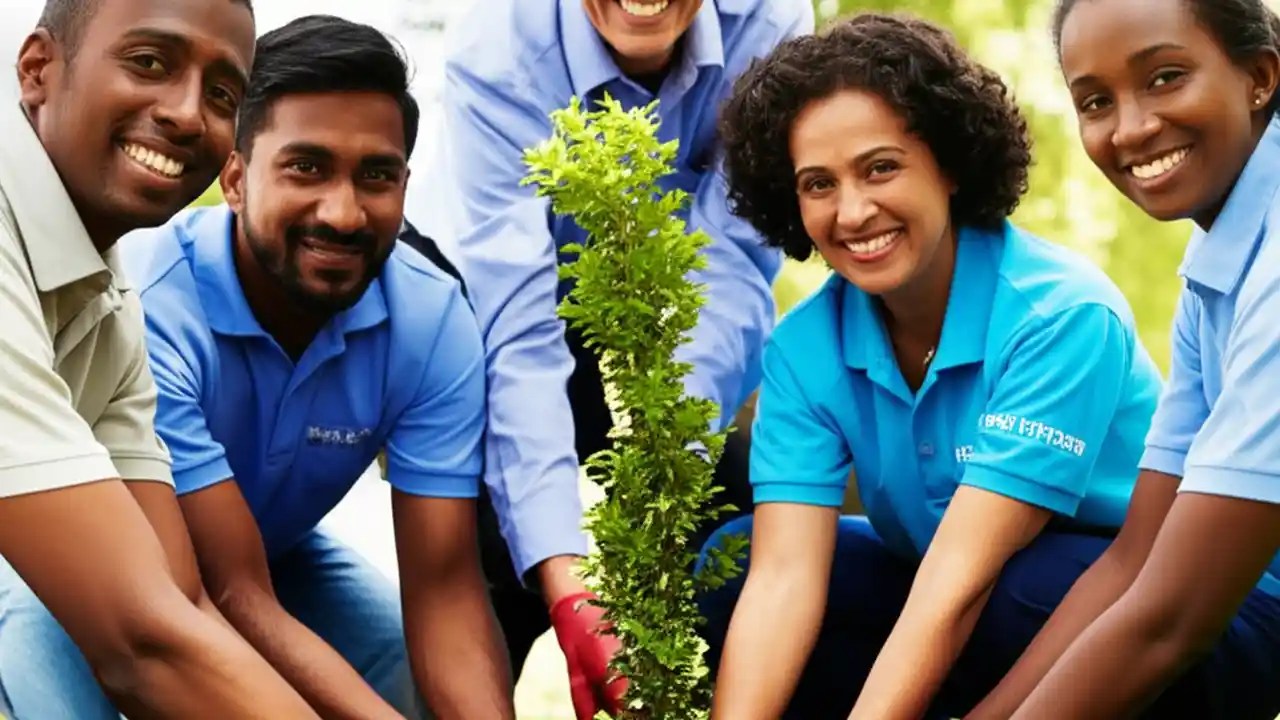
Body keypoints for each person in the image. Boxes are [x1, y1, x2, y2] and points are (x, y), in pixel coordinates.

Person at [694, 13, 1165, 719]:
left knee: (1020, 586)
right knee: (735, 559)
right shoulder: (803, 350)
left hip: (1151, 612)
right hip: (971, 595)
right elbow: (783, 580)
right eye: (818, 184)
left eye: (881, 167)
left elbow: (961, 583)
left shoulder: (1060, 317)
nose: (852, 212)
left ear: (947, 164)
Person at [418, 1, 815, 714]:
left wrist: (666, 459)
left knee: (744, 499)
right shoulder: (498, 38)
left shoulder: (770, 20)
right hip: (492, 291)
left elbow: (729, 267)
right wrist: (566, 579)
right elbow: (517, 323)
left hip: (660, 297)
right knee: (495, 540)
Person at [117, 14, 510, 720]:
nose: (345, 212)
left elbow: (445, 589)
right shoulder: (152, 305)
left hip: (273, 560)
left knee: (394, 662)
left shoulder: (434, 320)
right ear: (234, 179)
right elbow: (227, 591)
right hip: (83, 569)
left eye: (377, 176)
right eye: (306, 167)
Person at [0, 0, 321, 717]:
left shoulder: (110, 298)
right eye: (149, 63)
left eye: (222, 95)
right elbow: (140, 643)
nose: (186, 114)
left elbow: (178, 601)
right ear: (37, 69)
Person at [969, 0, 1280, 718]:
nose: (1132, 128)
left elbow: (1173, 621)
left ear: (1260, 75)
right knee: (1038, 588)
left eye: (1166, 77)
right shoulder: (1219, 260)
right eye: (1096, 102)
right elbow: (1133, 557)